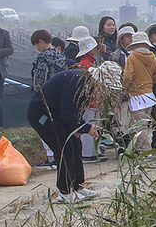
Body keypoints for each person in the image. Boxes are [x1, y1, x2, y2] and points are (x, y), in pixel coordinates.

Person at [27, 65, 119, 203]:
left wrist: (79, 128)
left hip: (57, 114)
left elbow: (77, 111)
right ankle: (64, 192)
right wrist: (86, 128)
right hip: (42, 114)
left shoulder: (87, 85)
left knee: (76, 145)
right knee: (65, 148)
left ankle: (78, 187)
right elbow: (67, 112)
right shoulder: (76, 81)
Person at [29, 29, 69, 167]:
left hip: (45, 99)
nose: (37, 48)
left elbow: (39, 82)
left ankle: (50, 157)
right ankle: (58, 156)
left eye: (36, 45)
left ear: (41, 42)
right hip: (60, 97)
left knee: (45, 125)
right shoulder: (60, 56)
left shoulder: (43, 58)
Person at [121, 31, 156, 153]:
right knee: (145, 124)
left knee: (139, 126)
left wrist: (126, 88)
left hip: (137, 96)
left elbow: (128, 76)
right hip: (149, 95)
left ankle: (145, 150)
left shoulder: (132, 58)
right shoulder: (152, 57)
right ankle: (141, 148)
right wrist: (150, 81)